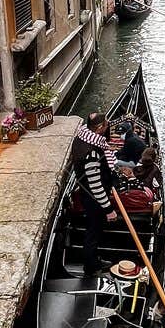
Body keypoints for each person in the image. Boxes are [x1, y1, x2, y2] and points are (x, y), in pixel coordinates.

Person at [71, 111, 116, 277]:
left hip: (86, 193)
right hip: (92, 199)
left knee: (94, 230)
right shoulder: (92, 153)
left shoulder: (81, 137)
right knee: (93, 232)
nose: (108, 124)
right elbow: (96, 185)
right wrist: (109, 209)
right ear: (99, 128)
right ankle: (91, 268)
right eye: (106, 123)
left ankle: (95, 259)